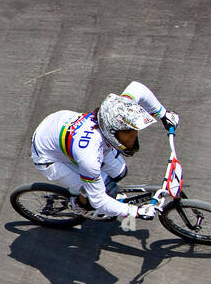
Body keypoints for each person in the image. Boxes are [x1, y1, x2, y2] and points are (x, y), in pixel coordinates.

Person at [27, 81, 181, 221]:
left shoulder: (119, 110)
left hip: (59, 128)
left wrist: (163, 114)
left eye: (134, 130)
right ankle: (79, 205)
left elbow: (137, 87)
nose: (134, 136)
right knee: (105, 190)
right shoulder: (89, 157)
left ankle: (94, 188)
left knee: (120, 171)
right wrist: (135, 212)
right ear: (112, 130)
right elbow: (99, 200)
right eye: (128, 132)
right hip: (49, 157)